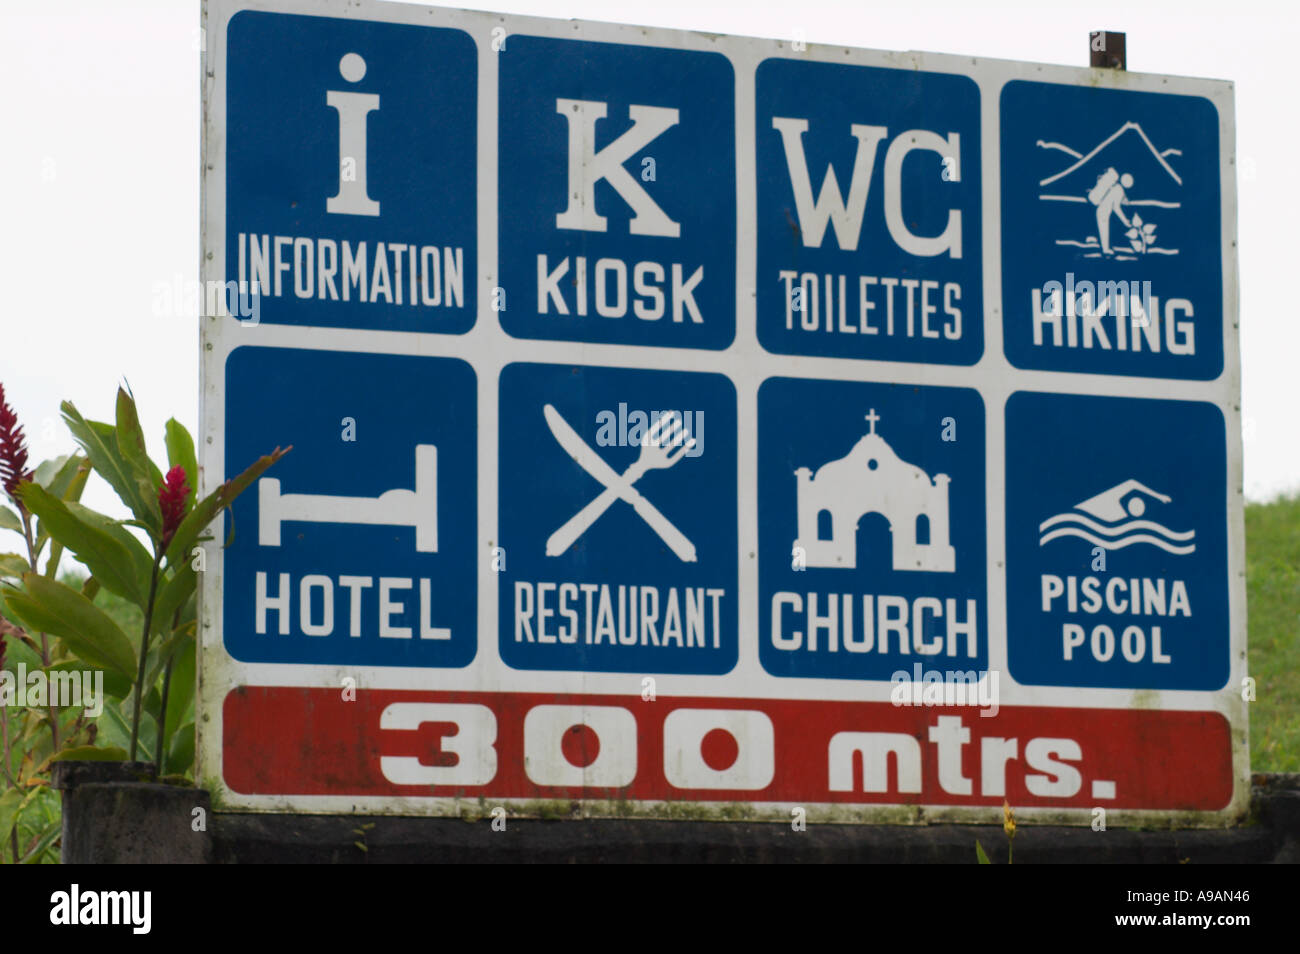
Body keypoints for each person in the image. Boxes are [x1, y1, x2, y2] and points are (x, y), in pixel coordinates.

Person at [1089, 168, 1134, 255]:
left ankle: (1104, 247)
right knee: (1104, 229)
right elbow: (1116, 208)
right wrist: (1124, 221)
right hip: (1104, 212)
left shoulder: (1116, 187)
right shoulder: (1119, 190)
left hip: (1102, 210)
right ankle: (1105, 250)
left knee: (1104, 229)